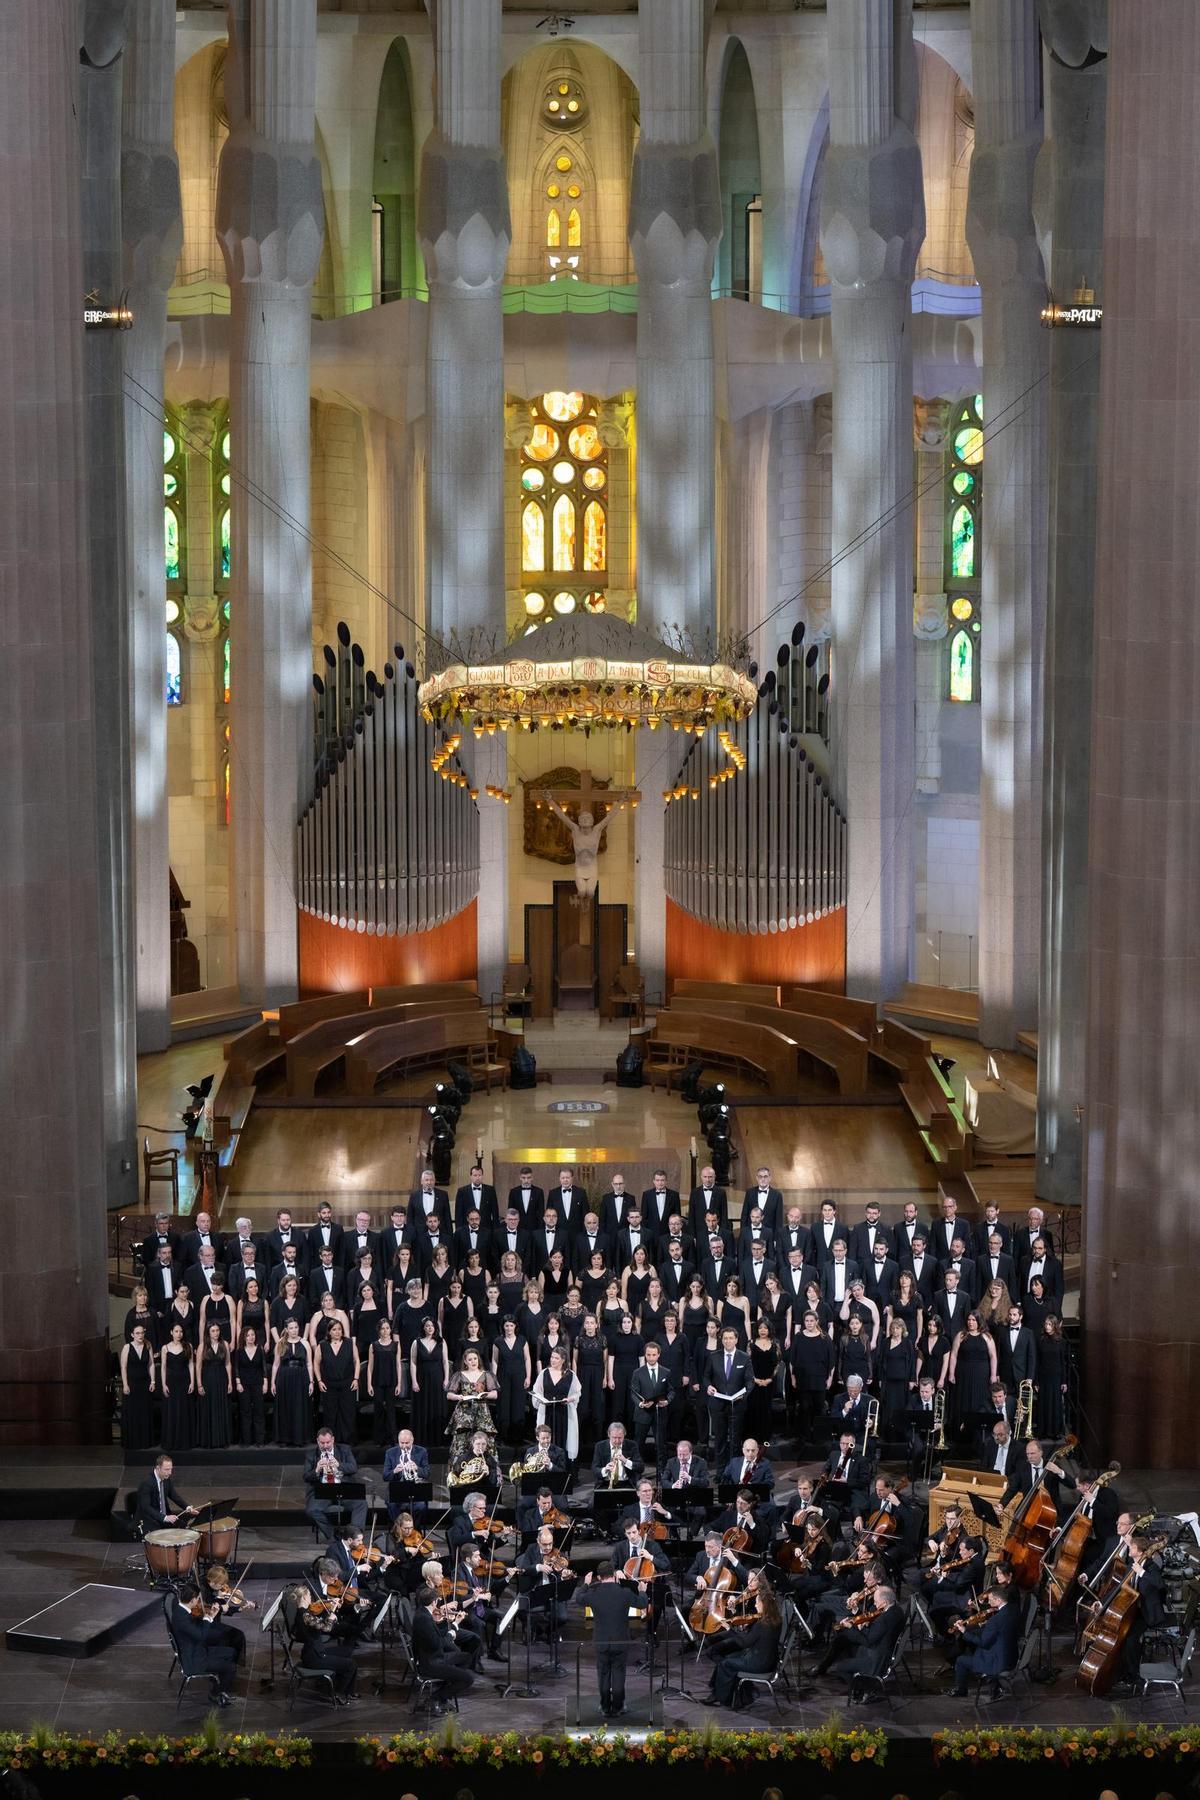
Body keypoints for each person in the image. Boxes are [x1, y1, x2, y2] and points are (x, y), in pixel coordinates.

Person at [576, 1561, 643, 1717]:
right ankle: (618, 1707)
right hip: (621, 1640)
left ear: (599, 1577)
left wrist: (585, 1584)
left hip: (601, 1641)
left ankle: (605, 1707)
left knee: (604, 1674)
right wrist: (641, 1591)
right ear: (614, 1575)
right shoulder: (625, 1592)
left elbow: (578, 1599)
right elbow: (642, 1603)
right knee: (619, 1673)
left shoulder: (593, 1593)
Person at [708, 1577, 782, 1709]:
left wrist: (730, 1630)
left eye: (757, 1603)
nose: (755, 1605)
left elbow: (744, 1643)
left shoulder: (762, 1624)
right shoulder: (776, 1620)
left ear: (764, 1605)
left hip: (759, 1664)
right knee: (731, 1658)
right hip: (770, 1661)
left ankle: (721, 1698)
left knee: (725, 1663)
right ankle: (738, 1694)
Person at [289, 1583, 359, 1701]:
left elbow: (319, 1625)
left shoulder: (304, 1613)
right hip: (315, 1657)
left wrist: (330, 1611)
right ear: (305, 1597)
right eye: (310, 1595)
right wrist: (331, 1618)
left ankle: (348, 1691)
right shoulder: (305, 1615)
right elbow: (326, 1628)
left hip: (314, 1651)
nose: (312, 1598)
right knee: (351, 1665)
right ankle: (337, 1693)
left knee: (347, 1651)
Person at [412, 1583, 476, 1710]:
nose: (439, 1602)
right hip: (431, 1663)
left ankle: (446, 1685)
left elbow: (435, 1636)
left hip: (433, 1656)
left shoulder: (422, 1613)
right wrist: (451, 1634)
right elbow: (438, 1644)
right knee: (468, 1679)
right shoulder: (424, 1619)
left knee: (466, 1657)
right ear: (433, 1602)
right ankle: (437, 1697)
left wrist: (454, 1624)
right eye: (438, 1600)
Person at [947, 1587, 1021, 1697]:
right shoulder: (1014, 1609)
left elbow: (983, 1642)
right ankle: (994, 1687)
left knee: (961, 1660)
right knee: (976, 1648)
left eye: (990, 1599)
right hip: (1012, 1656)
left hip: (999, 1663)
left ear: (998, 1600)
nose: (988, 1602)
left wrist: (964, 1631)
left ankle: (961, 1690)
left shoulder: (995, 1620)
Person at [168, 1591, 238, 1704]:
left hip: (196, 1650)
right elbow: (202, 1636)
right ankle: (215, 1694)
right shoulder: (182, 1618)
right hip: (194, 1660)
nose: (198, 1602)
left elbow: (195, 1632)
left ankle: (220, 1686)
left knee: (231, 1652)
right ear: (192, 1600)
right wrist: (208, 1619)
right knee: (231, 1667)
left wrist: (210, 1616)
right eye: (197, 1599)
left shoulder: (181, 1611)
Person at [303, 1429, 366, 1538]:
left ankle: (354, 1536)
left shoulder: (344, 1450)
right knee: (311, 1511)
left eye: (328, 1442)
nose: (325, 1446)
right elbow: (306, 1477)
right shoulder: (311, 1455)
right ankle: (334, 1535)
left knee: (361, 1504)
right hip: (322, 1491)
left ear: (333, 1439)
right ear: (318, 1441)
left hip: (342, 1488)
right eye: (322, 1443)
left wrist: (338, 1465)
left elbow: (353, 1468)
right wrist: (317, 1469)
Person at [705, 1325, 751, 1470]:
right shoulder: (713, 1356)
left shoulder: (744, 1358)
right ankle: (720, 1471)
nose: (728, 1341)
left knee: (735, 1441)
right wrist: (708, 1386)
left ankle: (734, 1471)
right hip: (718, 1404)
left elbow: (750, 1381)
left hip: (737, 1405)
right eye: (725, 1338)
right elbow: (706, 1376)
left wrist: (743, 1395)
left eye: (731, 1338)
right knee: (719, 1440)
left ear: (736, 1340)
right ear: (722, 1340)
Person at [531, 1345, 581, 1462]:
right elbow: (536, 1391)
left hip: (563, 1414)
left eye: (556, 1358)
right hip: (547, 1412)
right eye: (552, 1357)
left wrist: (570, 1399)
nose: (553, 1360)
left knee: (562, 1438)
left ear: (563, 1360)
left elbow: (577, 1393)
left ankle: (560, 1467)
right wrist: (540, 1400)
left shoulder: (570, 1375)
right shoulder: (544, 1373)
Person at [271, 1317, 314, 1445]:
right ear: (287, 1330)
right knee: (285, 1406)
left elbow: (309, 1364)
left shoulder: (305, 1343)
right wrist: (273, 1382)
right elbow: (275, 1364)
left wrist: (311, 1381)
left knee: (300, 1407)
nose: (294, 1330)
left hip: (301, 1378)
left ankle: (300, 1437)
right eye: (291, 1328)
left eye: (296, 1327)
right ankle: (286, 1438)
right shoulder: (280, 1343)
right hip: (284, 1378)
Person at [135, 1454, 191, 1537]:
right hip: (150, 1518)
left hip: (163, 1516)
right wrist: (165, 1518)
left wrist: (187, 1507)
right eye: (167, 1469)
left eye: (171, 1469)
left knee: (185, 1529)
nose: (170, 1473)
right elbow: (146, 1507)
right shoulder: (146, 1483)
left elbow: (174, 1495)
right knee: (163, 1537)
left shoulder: (166, 1478)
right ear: (158, 1468)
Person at [119, 1323, 156, 1448]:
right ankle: (133, 1441)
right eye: (137, 1333)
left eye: (142, 1333)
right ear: (132, 1335)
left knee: (144, 1412)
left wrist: (153, 1381)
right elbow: (123, 1367)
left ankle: (145, 1441)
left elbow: (150, 1364)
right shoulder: (127, 1347)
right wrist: (125, 1384)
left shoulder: (148, 1346)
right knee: (133, 1412)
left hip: (145, 1383)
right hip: (132, 1384)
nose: (140, 1335)